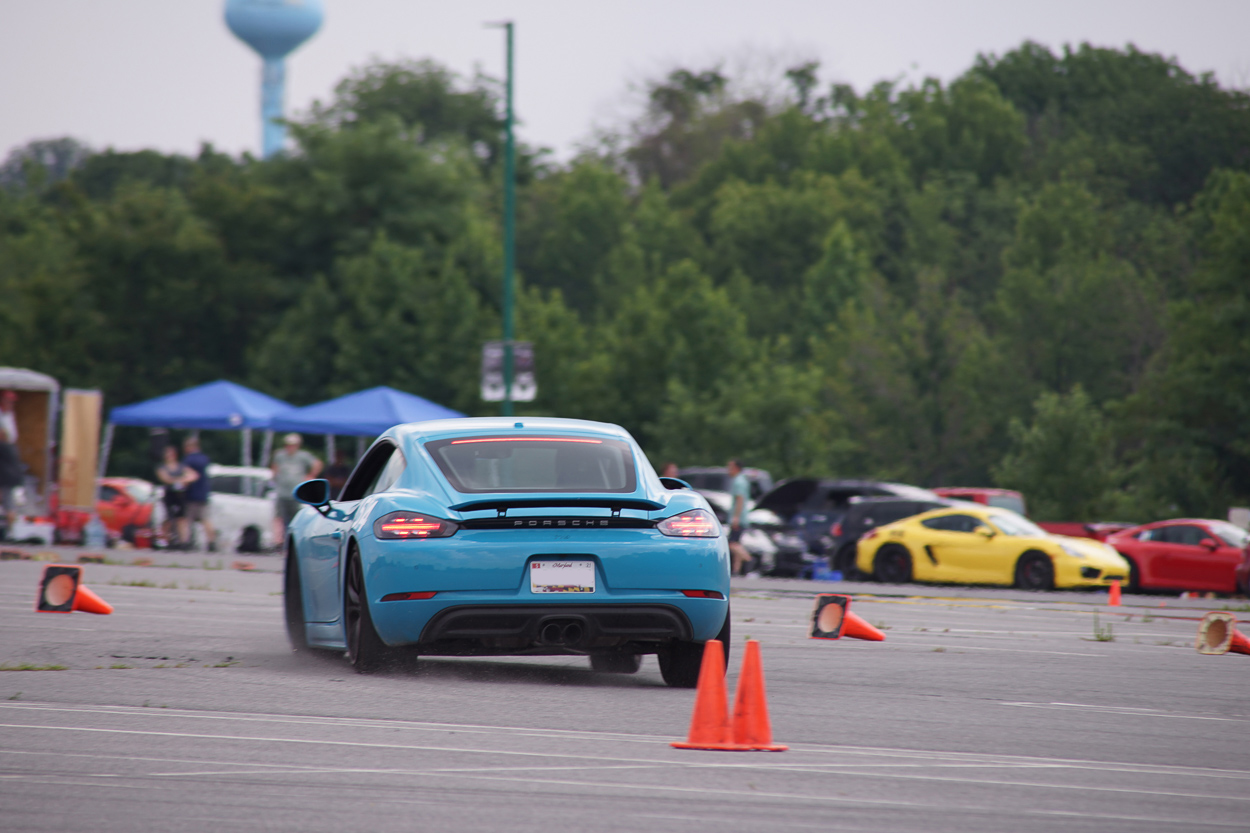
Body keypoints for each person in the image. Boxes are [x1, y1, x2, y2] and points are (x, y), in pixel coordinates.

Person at [271, 433, 322, 537]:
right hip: (282, 492)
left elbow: (317, 464)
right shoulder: (280, 455)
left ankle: (295, 537)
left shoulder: (302, 456)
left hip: (296, 493)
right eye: (288, 445)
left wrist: (310, 476)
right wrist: (275, 476)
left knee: (296, 517)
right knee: (281, 518)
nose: (290, 447)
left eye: (292, 445)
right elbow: (274, 468)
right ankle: (282, 540)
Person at [155, 444, 197, 547]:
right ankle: (164, 539)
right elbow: (166, 478)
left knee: (181, 519)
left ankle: (183, 541)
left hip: (180, 495)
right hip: (169, 494)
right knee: (168, 519)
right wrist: (179, 480)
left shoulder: (181, 466)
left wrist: (183, 480)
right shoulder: (162, 467)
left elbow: (193, 475)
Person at [181, 435, 216, 551]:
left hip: (191, 494)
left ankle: (186, 542)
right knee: (205, 519)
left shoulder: (188, 460)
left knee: (187, 520)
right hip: (203, 494)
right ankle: (211, 542)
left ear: (190, 447)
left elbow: (185, 477)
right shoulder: (204, 458)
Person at [727, 458, 753, 576]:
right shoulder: (743, 480)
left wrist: (735, 517)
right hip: (743, 517)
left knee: (731, 543)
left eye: (730, 467)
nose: (728, 470)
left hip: (739, 518)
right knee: (737, 543)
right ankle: (736, 570)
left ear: (736, 468)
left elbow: (739, 500)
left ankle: (748, 559)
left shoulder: (738, 481)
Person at [0, 390, 21, 537]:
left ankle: (10, 531)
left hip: (7, 466)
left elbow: (11, 436)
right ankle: (10, 530)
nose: (11, 404)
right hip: (5, 461)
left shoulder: (9, 416)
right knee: (8, 501)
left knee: (8, 500)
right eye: (9, 401)